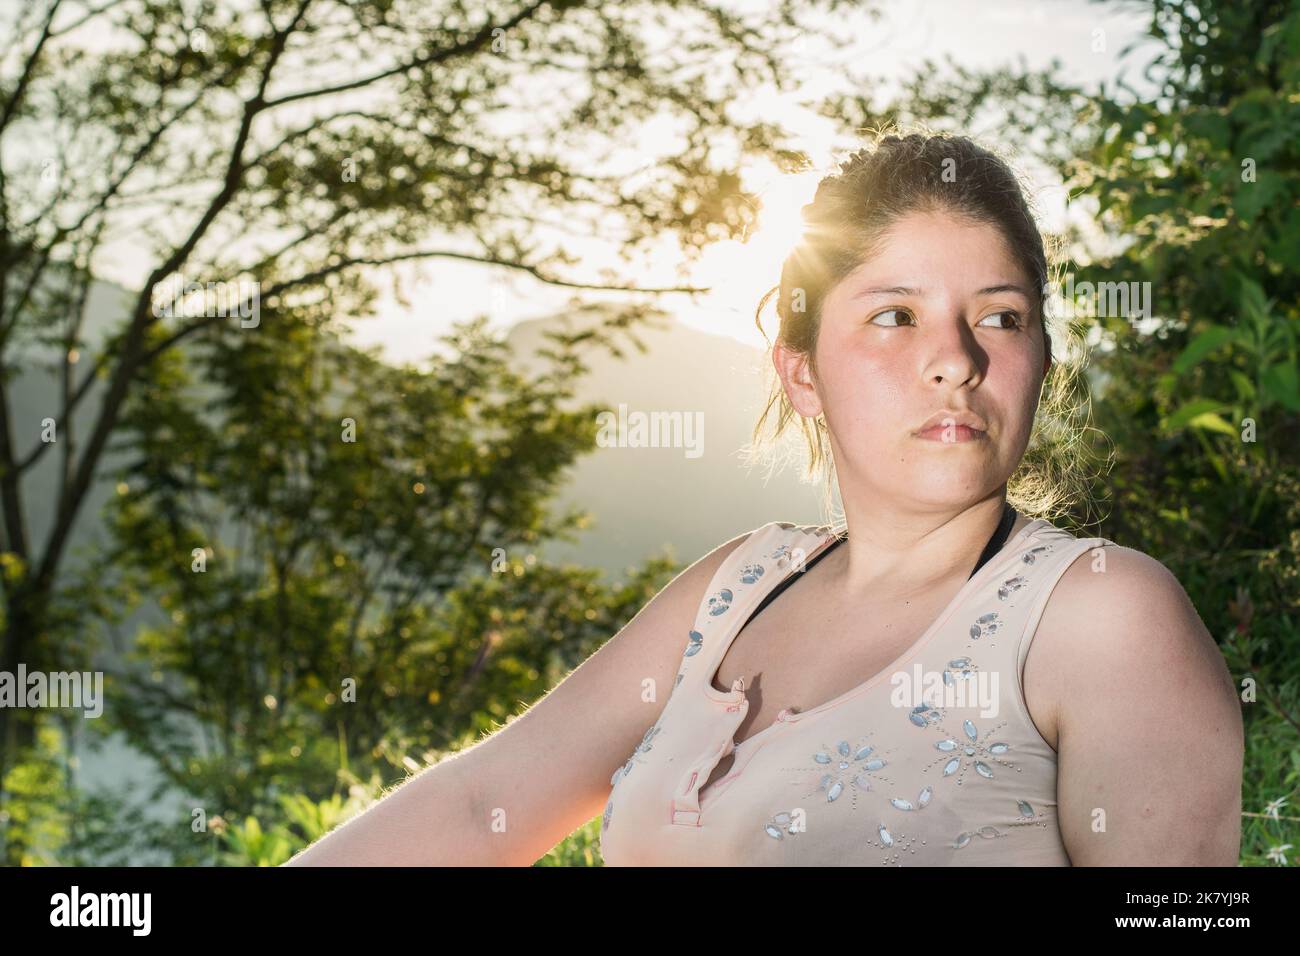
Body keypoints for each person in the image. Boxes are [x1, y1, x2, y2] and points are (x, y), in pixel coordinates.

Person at [284, 131, 1243, 867]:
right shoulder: (739, 585)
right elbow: (477, 805)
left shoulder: (1103, 611)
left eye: (1000, 316)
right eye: (893, 317)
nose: (955, 360)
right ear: (804, 373)